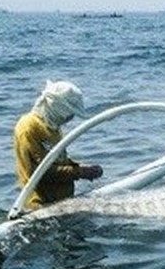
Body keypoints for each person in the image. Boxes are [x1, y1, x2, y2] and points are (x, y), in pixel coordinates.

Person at [13, 80, 101, 209]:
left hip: (60, 202)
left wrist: (80, 167)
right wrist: (80, 172)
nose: (70, 118)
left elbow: (56, 160)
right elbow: (40, 172)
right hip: (40, 206)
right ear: (57, 106)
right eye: (69, 112)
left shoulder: (52, 127)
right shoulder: (29, 127)